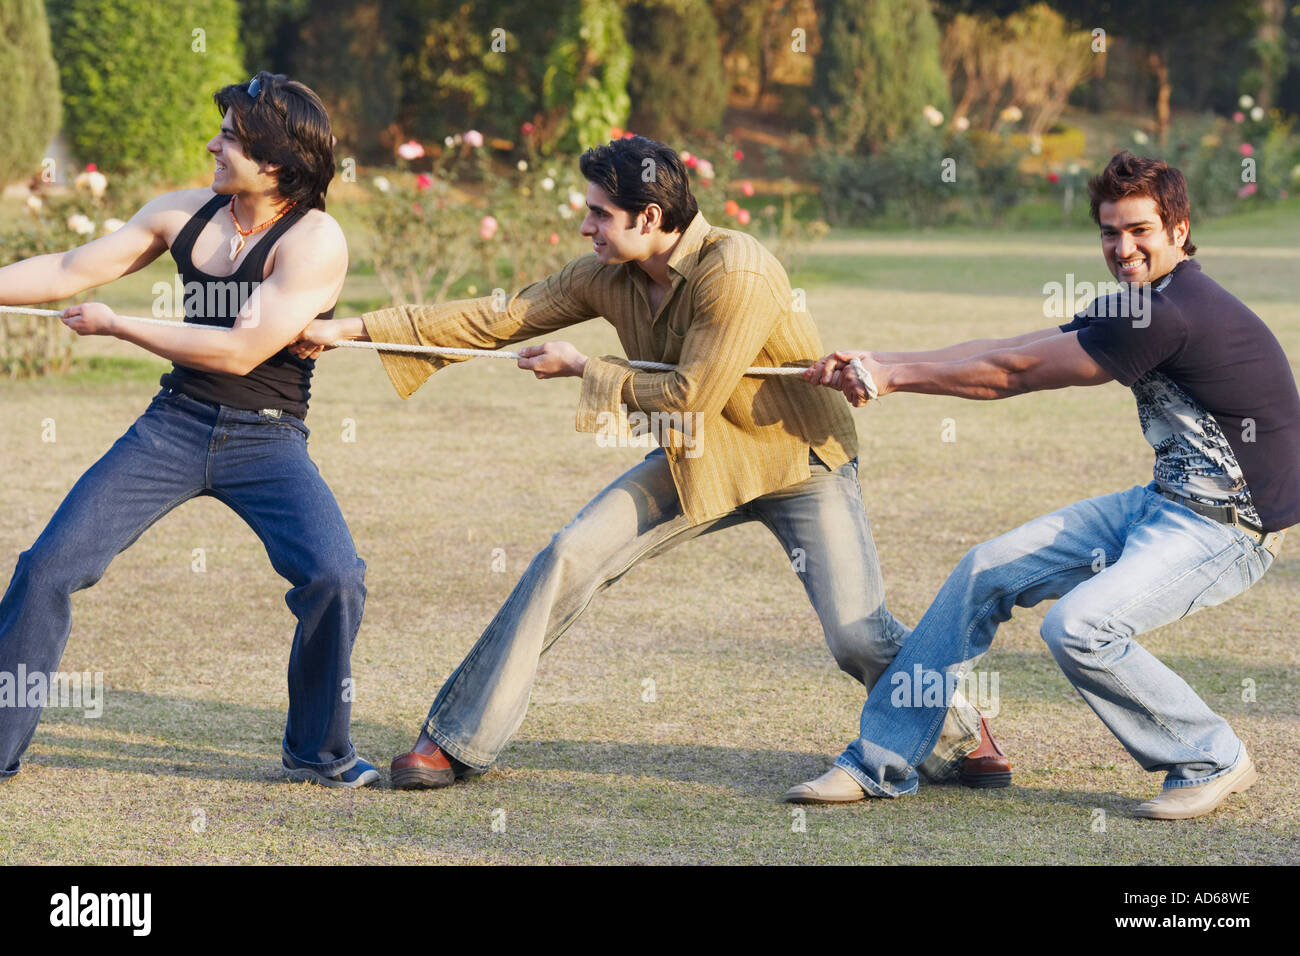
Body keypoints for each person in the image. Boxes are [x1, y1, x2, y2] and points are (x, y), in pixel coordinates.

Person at [292, 135, 1008, 791]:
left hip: (794, 461)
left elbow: (693, 393)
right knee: (570, 555)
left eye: (600, 214)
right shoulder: (609, 273)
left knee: (856, 634)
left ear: (651, 216)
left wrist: (585, 370)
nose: (585, 227)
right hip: (696, 458)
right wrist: (350, 327)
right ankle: (453, 741)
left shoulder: (740, 271)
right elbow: (501, 315)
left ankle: (962, 731)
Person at [785, 151, 1298, 818]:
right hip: (1164, 503)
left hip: (1230, 529)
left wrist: (894, 378)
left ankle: (1209, 756)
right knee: (984, 570)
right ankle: (879, 762)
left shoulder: (1171, 313)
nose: (1123, 247)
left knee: (1079, 626)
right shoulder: (1141, 304)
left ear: (1179, 230)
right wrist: (882, 362)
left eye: (1140, 230)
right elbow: (1013, 345)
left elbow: (1014, 374)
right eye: (1111, 232)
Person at [0, 72, 377, 788]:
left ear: (276, 159)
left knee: (334, 577)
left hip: (266, 436)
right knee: (46, 568)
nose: (213, 143)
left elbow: (240, 349)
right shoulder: (185, 211)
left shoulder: (316, 239)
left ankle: (317, 753)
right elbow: (71, 269)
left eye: (231, 136)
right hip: (175, 425)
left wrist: (120, 325)